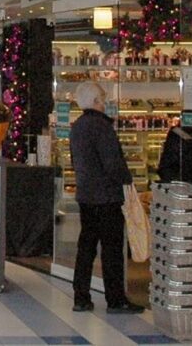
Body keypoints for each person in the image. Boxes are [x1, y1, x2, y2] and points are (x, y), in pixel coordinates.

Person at [68, 81, 143, 314]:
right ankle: (116, 299)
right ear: (95, 102)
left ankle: (81, 297)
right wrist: (127, 180)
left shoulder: (77, 126)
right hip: (107, 196)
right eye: (102, 97)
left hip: (86, 195)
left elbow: (75, 161)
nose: (105, 101)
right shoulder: (101, 127)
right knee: (112, 249)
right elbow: (112, 164)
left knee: (86, 247)